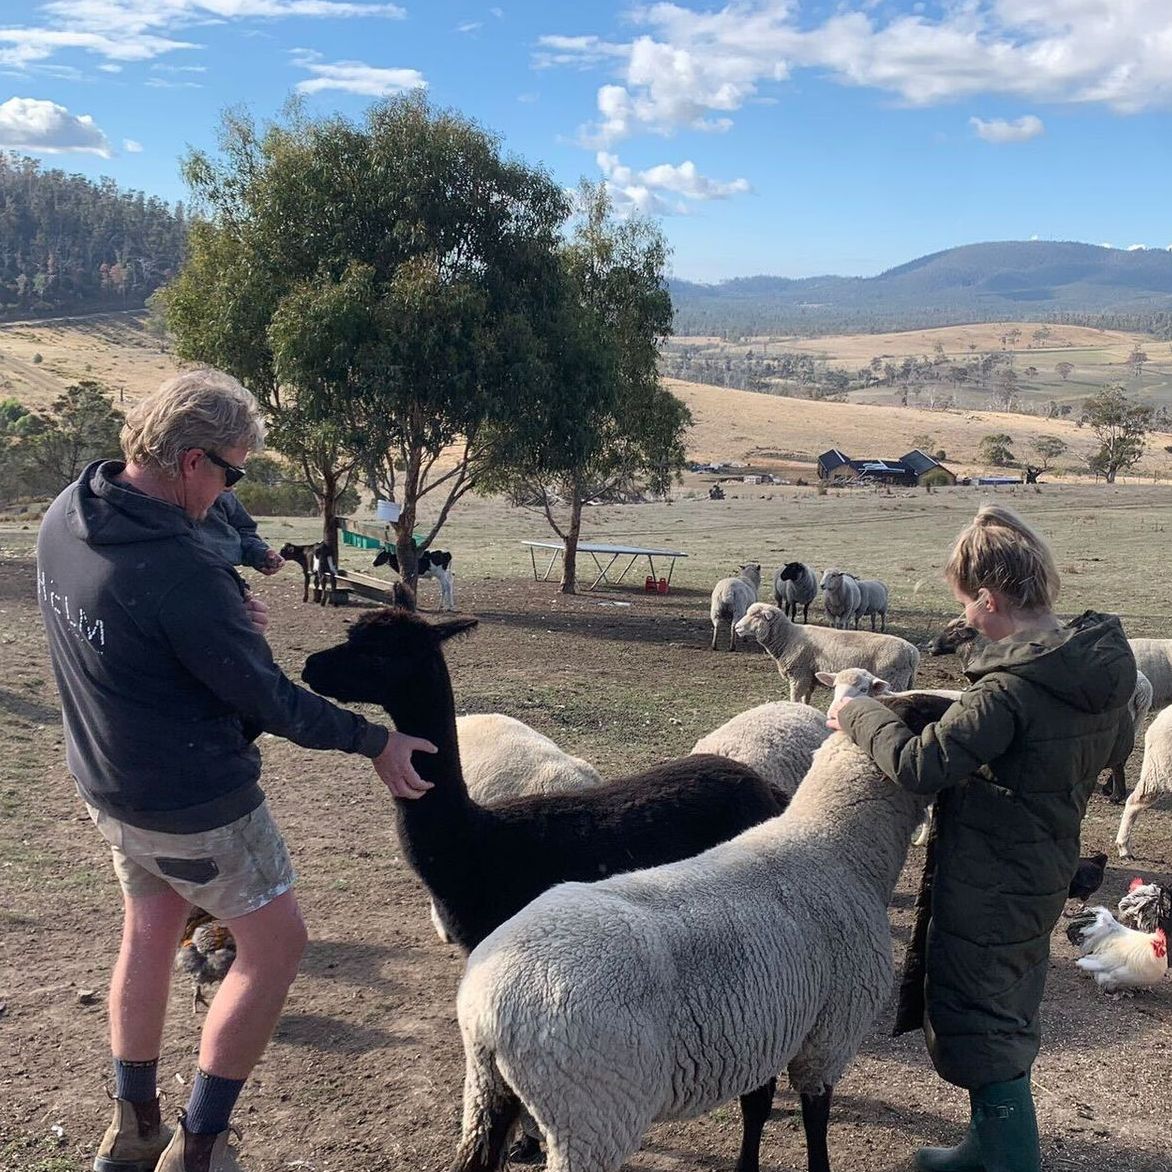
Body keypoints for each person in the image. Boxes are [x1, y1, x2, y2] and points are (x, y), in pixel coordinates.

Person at [35, 369, 436, 1172]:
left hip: (107, 782)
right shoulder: (181, 573)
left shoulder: (69, 515)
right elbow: (272, 700)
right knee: (276, 946)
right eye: (231, 471)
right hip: (194, 802)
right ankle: (202, 1148)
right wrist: (376, 743)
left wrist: (231, 617)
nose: (230, 490)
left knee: (148, 932)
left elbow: (149, 639)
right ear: (190, 462)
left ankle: (134, 1124)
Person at [825, 505, 1135, 1172]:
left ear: (991, 600)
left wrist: (857, 715)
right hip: (1045, 863)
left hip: (992, 875)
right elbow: (1108, 747)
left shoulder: (1007, 694)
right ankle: (985, 1146)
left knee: (982, 1016)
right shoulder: (1100, 671)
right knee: (1008, 1000)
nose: (965, 619)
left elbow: (920, 765)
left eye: (967, 605)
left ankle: (1008, 1159)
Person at [200, 490, 285, 577]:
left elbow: (244, 531)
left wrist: (260, 554)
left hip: (220, 575)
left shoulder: (224, 493)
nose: (229, 486)